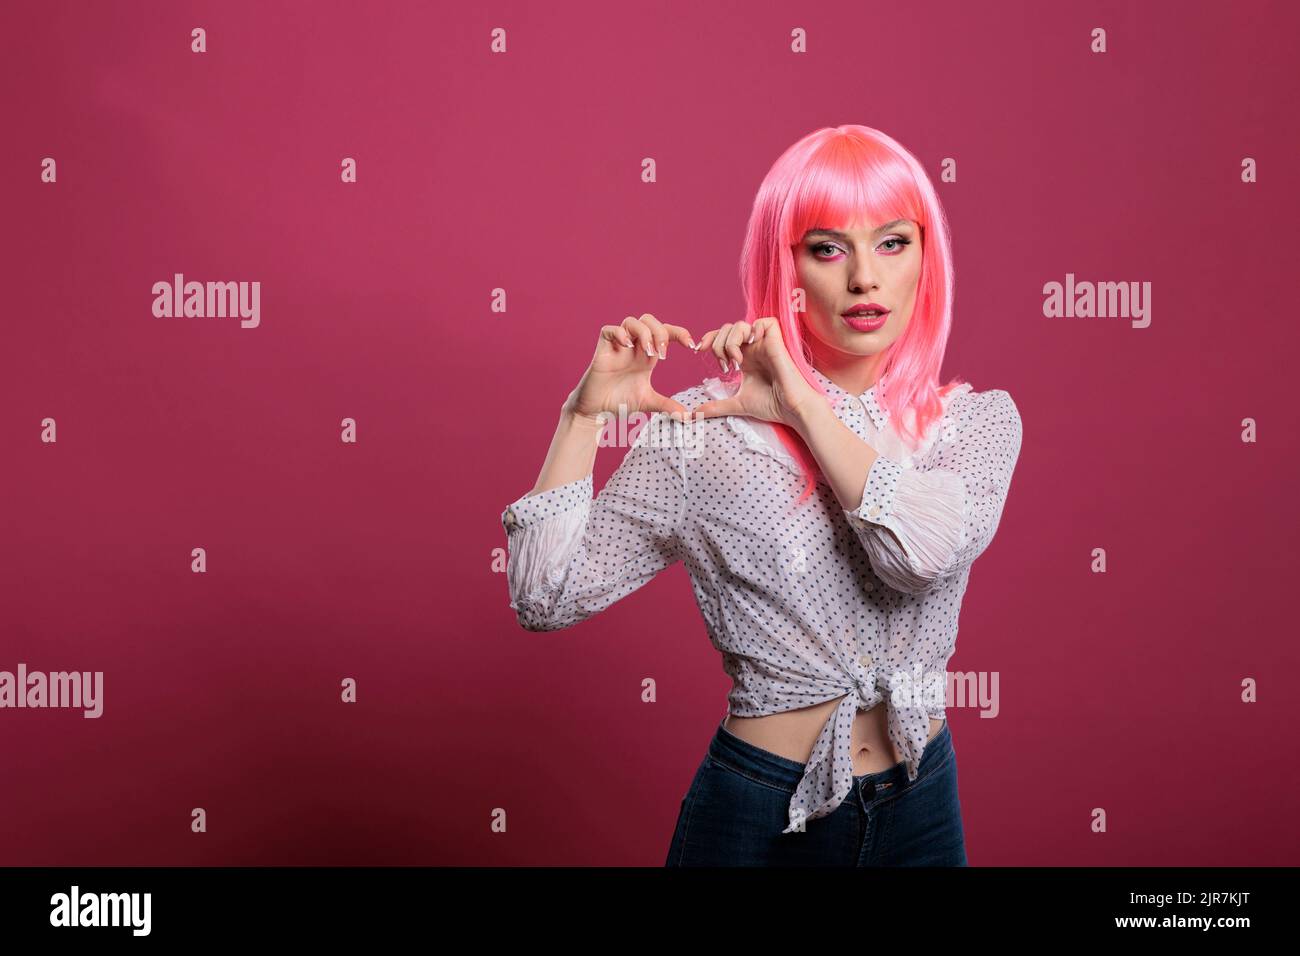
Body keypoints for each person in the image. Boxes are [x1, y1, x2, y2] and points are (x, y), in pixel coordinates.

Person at [499, 125, 1023, 866]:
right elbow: (545, 599)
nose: (865, 279)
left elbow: (918, 556)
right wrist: (583, 419)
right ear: (788, 267)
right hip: (759, 812)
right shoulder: (706, 434)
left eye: (894, 243)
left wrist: (800, 406)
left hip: (921, 799)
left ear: (925, 260)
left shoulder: (975, 424)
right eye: (829, 248)